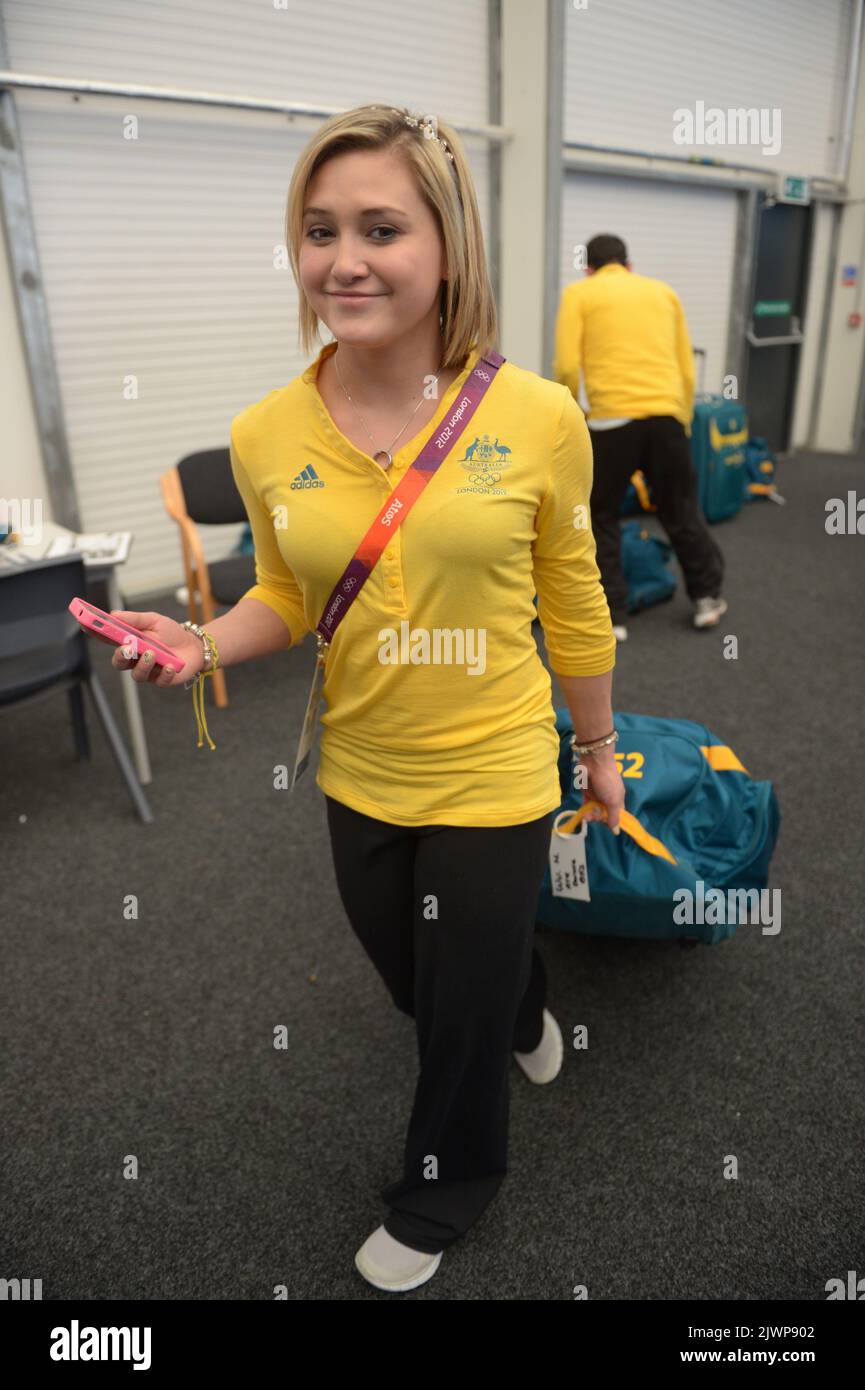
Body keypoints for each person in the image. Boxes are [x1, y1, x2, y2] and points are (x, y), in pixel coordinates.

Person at [95, 105, 624, 1294]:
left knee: (454, 1020)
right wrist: (199, 637)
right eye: (319, 228)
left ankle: (444, 1190)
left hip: (494, 765)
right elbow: (284, 594)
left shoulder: (535, 417)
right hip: (360, 769)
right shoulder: (265, 430)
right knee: (415, 980)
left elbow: (577, 606)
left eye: (381, 226)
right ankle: (519, 997)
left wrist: (596, 748)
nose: (344, 258)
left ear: (447, 244)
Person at [553, 233, 727, 641]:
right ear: (628, 264)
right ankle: (706, 600)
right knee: (680, 509)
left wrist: (576, 414)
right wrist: (681, 417)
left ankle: (613, 616)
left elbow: (565, 364)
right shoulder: (663, 293)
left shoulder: (580, 294)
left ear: (589, 268)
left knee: (601, 515)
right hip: (665, 416)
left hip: (611, 421)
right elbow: (686, 366)